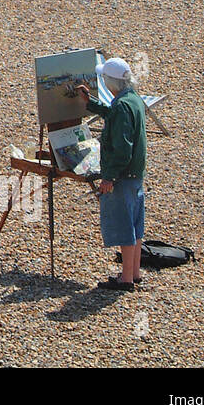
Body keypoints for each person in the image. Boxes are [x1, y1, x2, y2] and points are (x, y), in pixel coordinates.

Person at [74, 58, 147, 292]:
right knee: (135, 225)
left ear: (110, 82)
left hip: (123, 175)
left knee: (125, 225)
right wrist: (91, 103)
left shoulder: (121, 105)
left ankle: (125, 280)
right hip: (135, 173)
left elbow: (123, 147)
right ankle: (134, 273)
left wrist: (109, 177)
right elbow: (114, 115)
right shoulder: (132, 99)